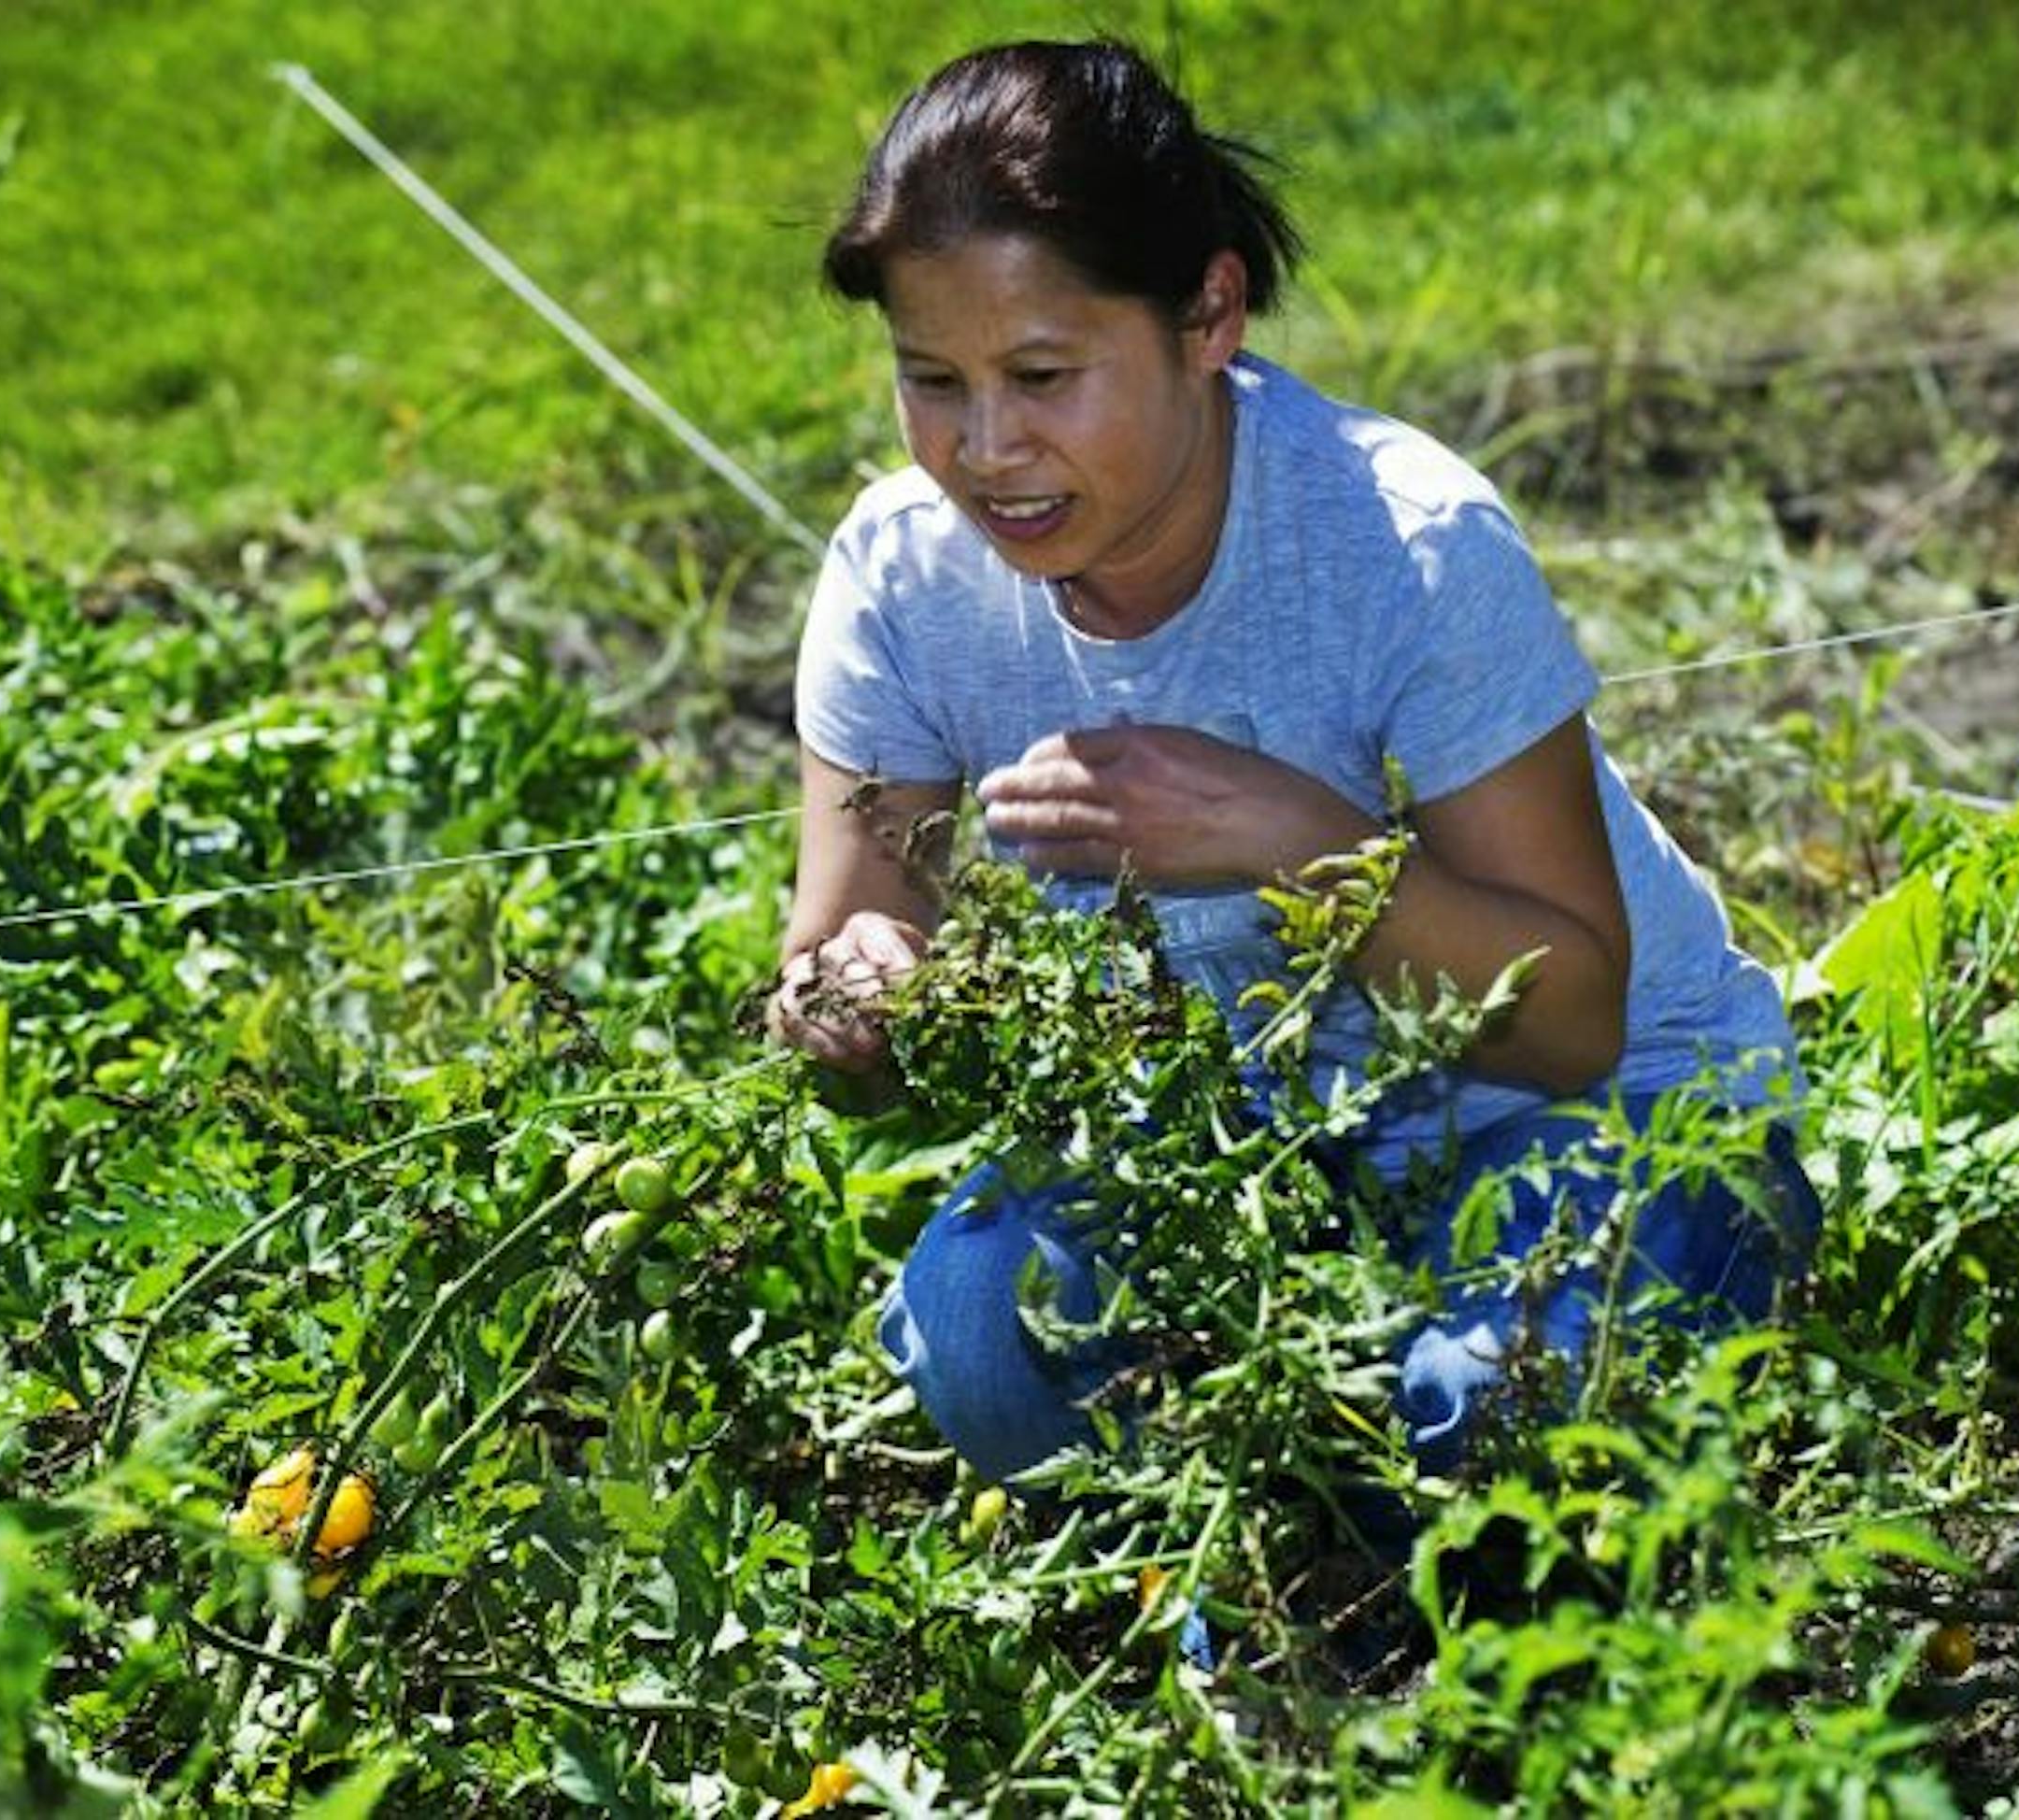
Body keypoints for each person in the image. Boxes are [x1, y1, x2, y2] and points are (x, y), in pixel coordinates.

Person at [767, 38, 1820, 1490]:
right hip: (1240, 1166)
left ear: (1210, 314)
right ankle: (1294, 1527)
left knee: (1482, 1408)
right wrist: (859, 988)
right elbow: (842, 954)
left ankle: (1378, 1532)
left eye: (1044, 375)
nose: (987, 447)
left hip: (1606, 1116)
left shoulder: (1404, 546)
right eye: (931, 380)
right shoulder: (902, 577)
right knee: (975, 1338)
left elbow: (1572, 1019)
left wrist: (1287, 839)